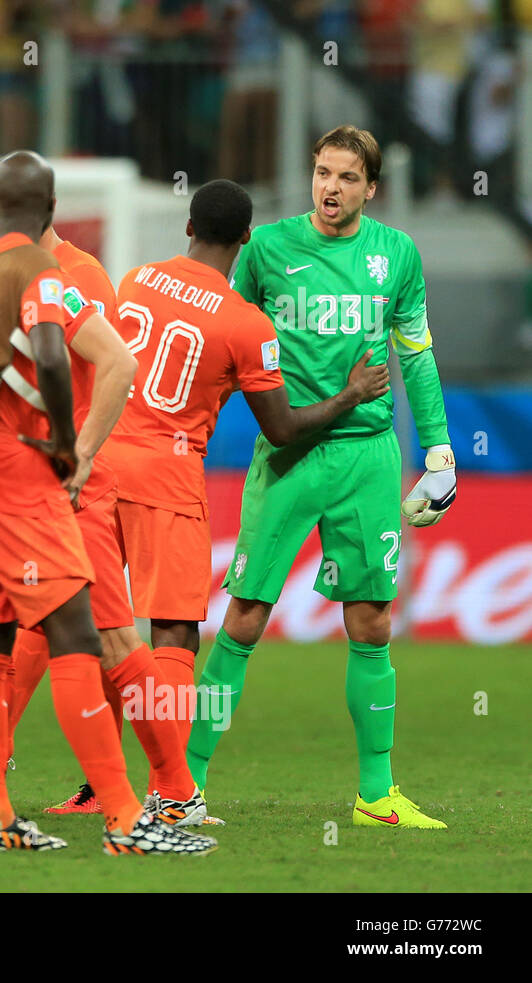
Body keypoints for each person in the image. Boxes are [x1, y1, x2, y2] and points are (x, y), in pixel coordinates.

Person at [0, 150, 217, 856]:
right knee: (88, 639)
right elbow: (73, 356)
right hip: (39, 486)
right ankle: (134, 814)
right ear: (53, 206)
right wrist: (70, 446)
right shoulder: (50, 272)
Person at [39, 179, 392, 822]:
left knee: (103, 627)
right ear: (247, 240)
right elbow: (281, 429)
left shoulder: (139, 279)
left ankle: (96, 786)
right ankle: (172, 793)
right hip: (167, 478)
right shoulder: (246, 322)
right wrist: (348, 397)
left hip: (100, 461)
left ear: (187, 228)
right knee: (171, 631)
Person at [187, 127, 455, 829]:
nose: (329, 188)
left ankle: (376, 795)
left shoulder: (397, 256)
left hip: (369, 457)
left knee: (372, 620)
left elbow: (417, 355)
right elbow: (224, 333)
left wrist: (439, 453)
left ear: (371, 188)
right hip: (289, 454)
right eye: (321, 173)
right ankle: (184, 785)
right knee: (244, 614)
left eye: (345, 177)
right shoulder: (268, 251)